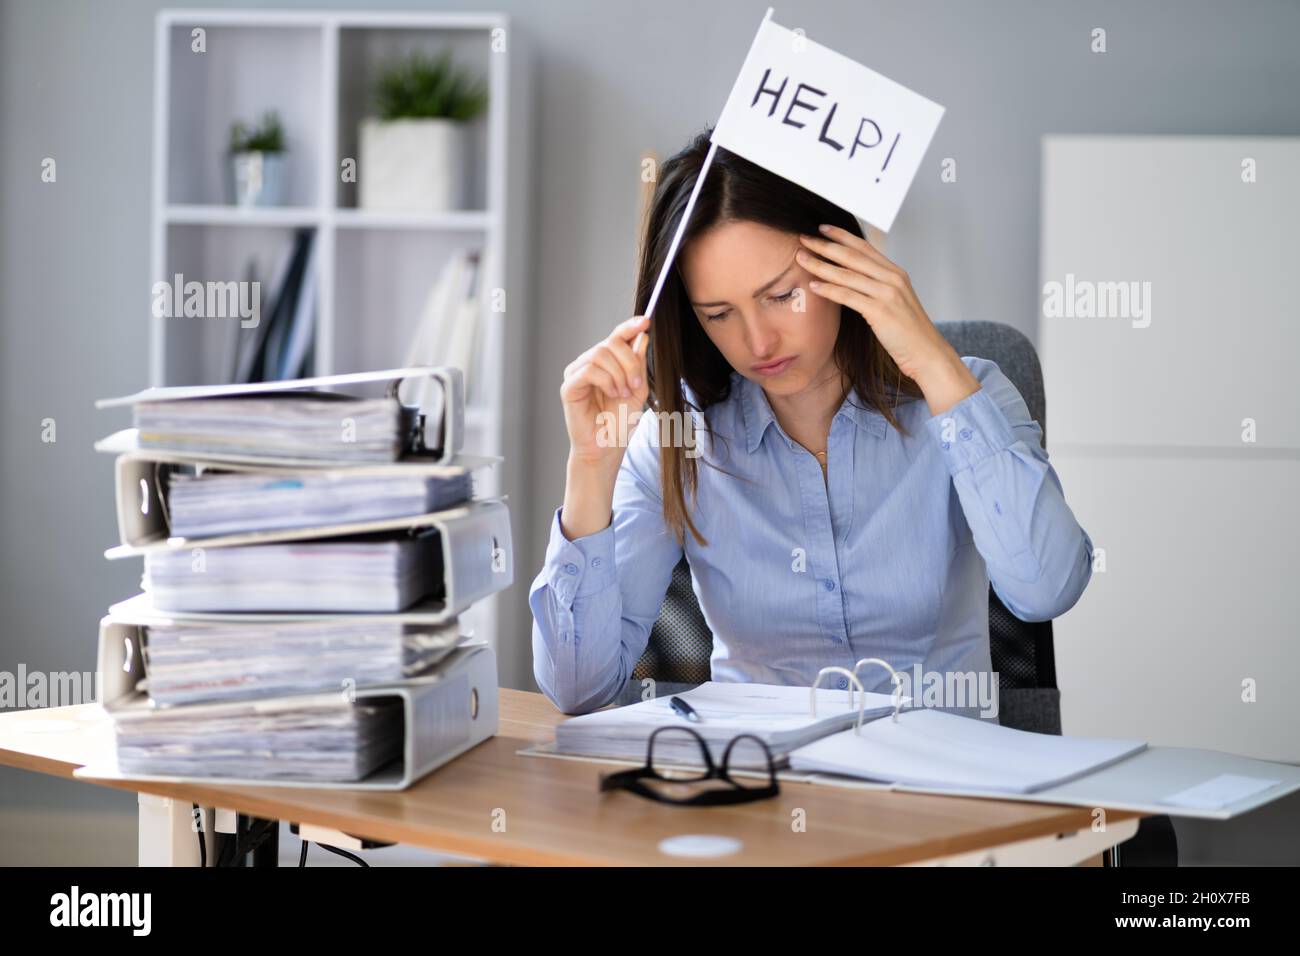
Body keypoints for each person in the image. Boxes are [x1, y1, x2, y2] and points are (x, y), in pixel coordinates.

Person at [529, 128, 1093, 719]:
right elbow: (579, 690)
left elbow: (1047, 590)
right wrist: (590, 470)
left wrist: (932, 362)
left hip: (937, 785)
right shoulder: (678, 439)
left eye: (781, 296)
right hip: (757, 782)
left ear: (844, 262)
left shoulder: (968, 396)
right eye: (719, 314)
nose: (758, 341)